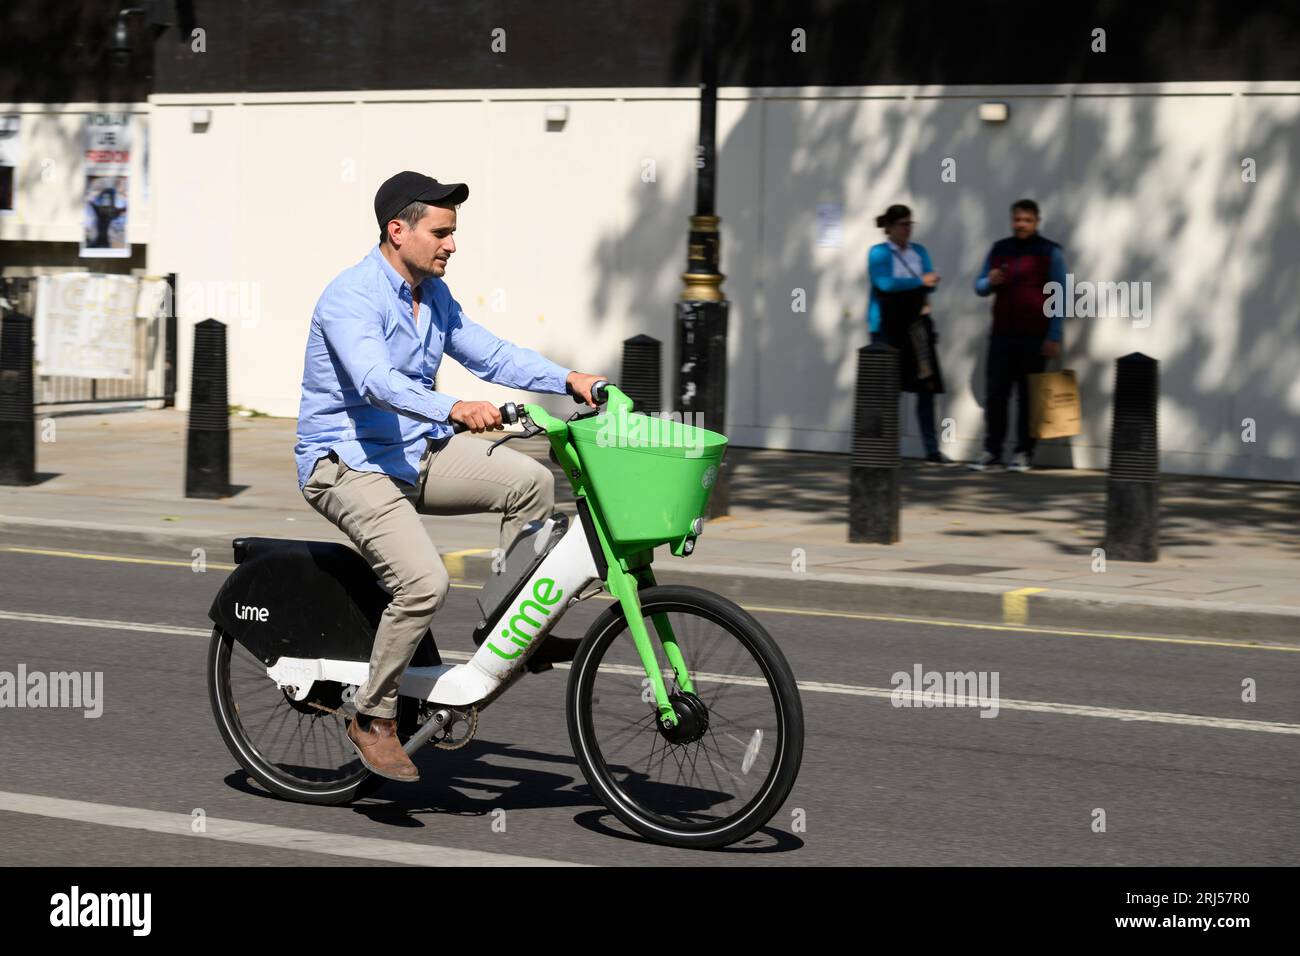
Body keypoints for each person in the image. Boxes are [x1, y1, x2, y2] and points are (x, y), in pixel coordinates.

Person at [295, 170, 607, 782]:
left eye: (453, 233)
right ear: (398, 230)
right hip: (346, 463)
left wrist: (568, 378)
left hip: (414, 454)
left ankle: (517, 626)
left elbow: (491, 353)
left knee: (532, 484)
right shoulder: (350, 296)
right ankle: (373, 717)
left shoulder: (433, 296)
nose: (452, 244)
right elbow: (376, 382)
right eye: (441, 232)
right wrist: (454, 408)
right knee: (422, 583)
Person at [969, 199, 1067, 472]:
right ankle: (992, 451)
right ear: (1012, 220)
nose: (1021, 225)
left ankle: (1024, 452)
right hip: (1002, 335)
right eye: (1017, 220)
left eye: (1027, 220)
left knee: (1030, 398)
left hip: (1035, 337)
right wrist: (990, 282)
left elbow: (1061, 295)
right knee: (996, 395)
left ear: (1037, 221)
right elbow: (978, 287)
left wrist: (1055, 334)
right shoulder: (999, 249)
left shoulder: (1050, 252)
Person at [867, 204, 949, 464]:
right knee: (888, 390)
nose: (907, 230)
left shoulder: (919, 251)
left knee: (926, 388)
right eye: (902, 224)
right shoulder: (878, 252)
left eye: (910, 224)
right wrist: (919, 282)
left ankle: (931, 450)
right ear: (889, 228)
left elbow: (929, 283)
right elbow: (883, 282)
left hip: (916, 326)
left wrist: (928, 282)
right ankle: (884, 450)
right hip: (888, 328)